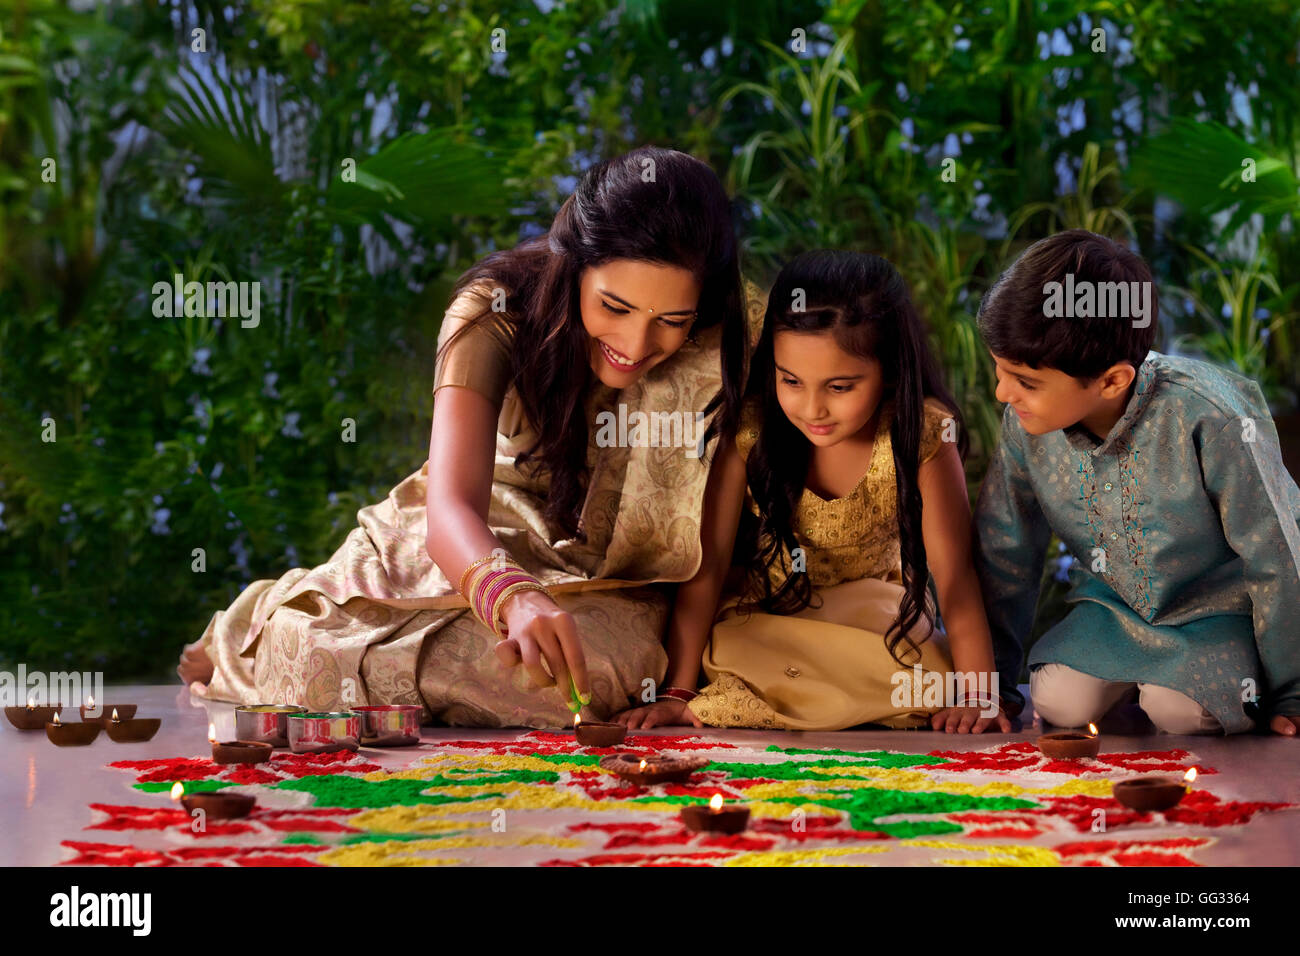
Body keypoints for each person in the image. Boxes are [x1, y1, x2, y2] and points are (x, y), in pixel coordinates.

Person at [178, 145, 758, 727]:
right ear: (576, 265)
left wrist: (680, 693)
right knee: (311, 648)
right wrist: (517, 599)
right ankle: (265, 620)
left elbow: (708, 546)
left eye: (671, 322)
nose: (635, 345)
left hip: (617, 571)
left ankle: (284, 638)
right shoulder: (492, 311)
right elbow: (451, 505)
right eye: (615, 307)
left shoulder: (731, 344)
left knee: (593, 674)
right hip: (483, 522)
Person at [618, 249, 1012, 732]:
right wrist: (679, 689)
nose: (812, 408)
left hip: (873, 619)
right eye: (791, 381)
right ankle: (819, 698)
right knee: (735, 649)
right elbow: (711, 564)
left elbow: (954, 577)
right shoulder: (750, 432)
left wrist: (978, 696)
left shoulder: (923, 435)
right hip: (775, 612)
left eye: (840, 387)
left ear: (888, 371)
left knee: (926, 672)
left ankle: (807, 697)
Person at [973, 228, 1300, 736]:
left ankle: (1191, 693)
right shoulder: (1026, 422)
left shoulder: (1209, 417)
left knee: (1182, 712)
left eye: (1025, 382)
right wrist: (989, 682)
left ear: (1112, 381)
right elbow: (1005, 549)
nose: (1001, 393)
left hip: (1219, 615)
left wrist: (1292, 692)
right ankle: (1136, 697)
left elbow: (1276, 551)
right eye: (1001, 371)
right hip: (1113, 613)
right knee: (1058, 701)